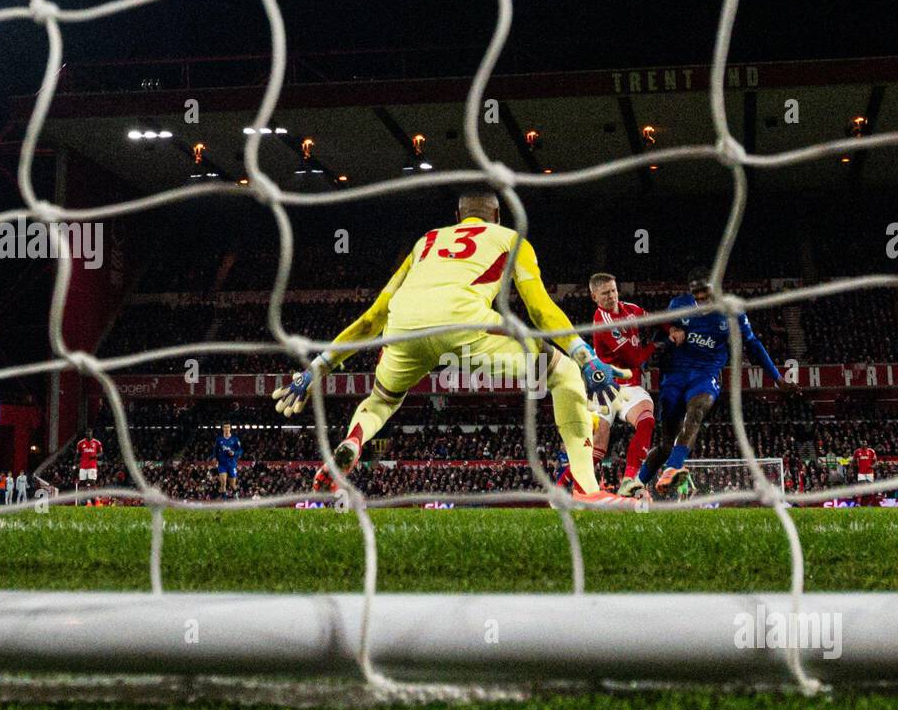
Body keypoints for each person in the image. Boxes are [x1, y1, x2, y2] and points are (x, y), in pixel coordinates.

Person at [272, 190, 634, 506]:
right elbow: (540, 309)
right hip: (463, 322)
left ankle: (355, 439)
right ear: (497, 215)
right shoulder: (510, 238)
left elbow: (372, 318)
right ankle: (587, 490)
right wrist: (584, 355)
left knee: (383, 399)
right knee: (564, 372)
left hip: (404, 325)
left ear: (457, 218)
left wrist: (315, 368)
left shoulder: (425, 241)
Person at [638, 266, 796, 496]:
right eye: (697, 295)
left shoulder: (732, 313)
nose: (702, 299)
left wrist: (777, 378)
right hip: (674, 374)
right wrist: (667, 335)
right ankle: (632, 486)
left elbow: (753, 345)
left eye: (706, 294)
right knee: (665, 444)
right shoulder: (678, 305)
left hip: (705, 374)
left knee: (696, 411)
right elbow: (660, 334)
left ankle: (672, 469)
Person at [587, 272, 660, 497]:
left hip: (629, 388)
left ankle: (630, 479)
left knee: (647, 420)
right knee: (598, 446)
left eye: (613, 290)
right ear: (595, 297)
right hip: (605, 390)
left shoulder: (630, 309)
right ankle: (571, 489)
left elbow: (655, 319)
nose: (611, 296)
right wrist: (656, 345)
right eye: (605, 293)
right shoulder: (602, 320)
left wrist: (673, 329)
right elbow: (634, 359)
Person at [215, 422, 243, 498]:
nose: (226, 429)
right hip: (222, 464)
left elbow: (240, 450)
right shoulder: (219, 439)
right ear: (223, 428)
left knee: (232, 484)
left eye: (228, 427)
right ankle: (225, 502)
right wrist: (215, 458)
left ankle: (236, 497)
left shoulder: (235, 439)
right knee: (223, 482)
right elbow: (216, 451)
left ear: (230, 428)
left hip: (232, 464)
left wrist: (234, 453)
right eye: (225, 427)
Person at [76, 428, 103, 503]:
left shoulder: (97, 442)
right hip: (83, 466)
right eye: (87, 432)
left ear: (92, 433)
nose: (88, 433)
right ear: (85, 433)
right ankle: (83, 500)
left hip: (92, 465)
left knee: (92, 481)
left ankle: (96, 498)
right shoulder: (80, 443)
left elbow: (101, 453)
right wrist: (75, 464)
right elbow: (77, 454)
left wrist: (95, 456)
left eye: (90, 432)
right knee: (82, 482)